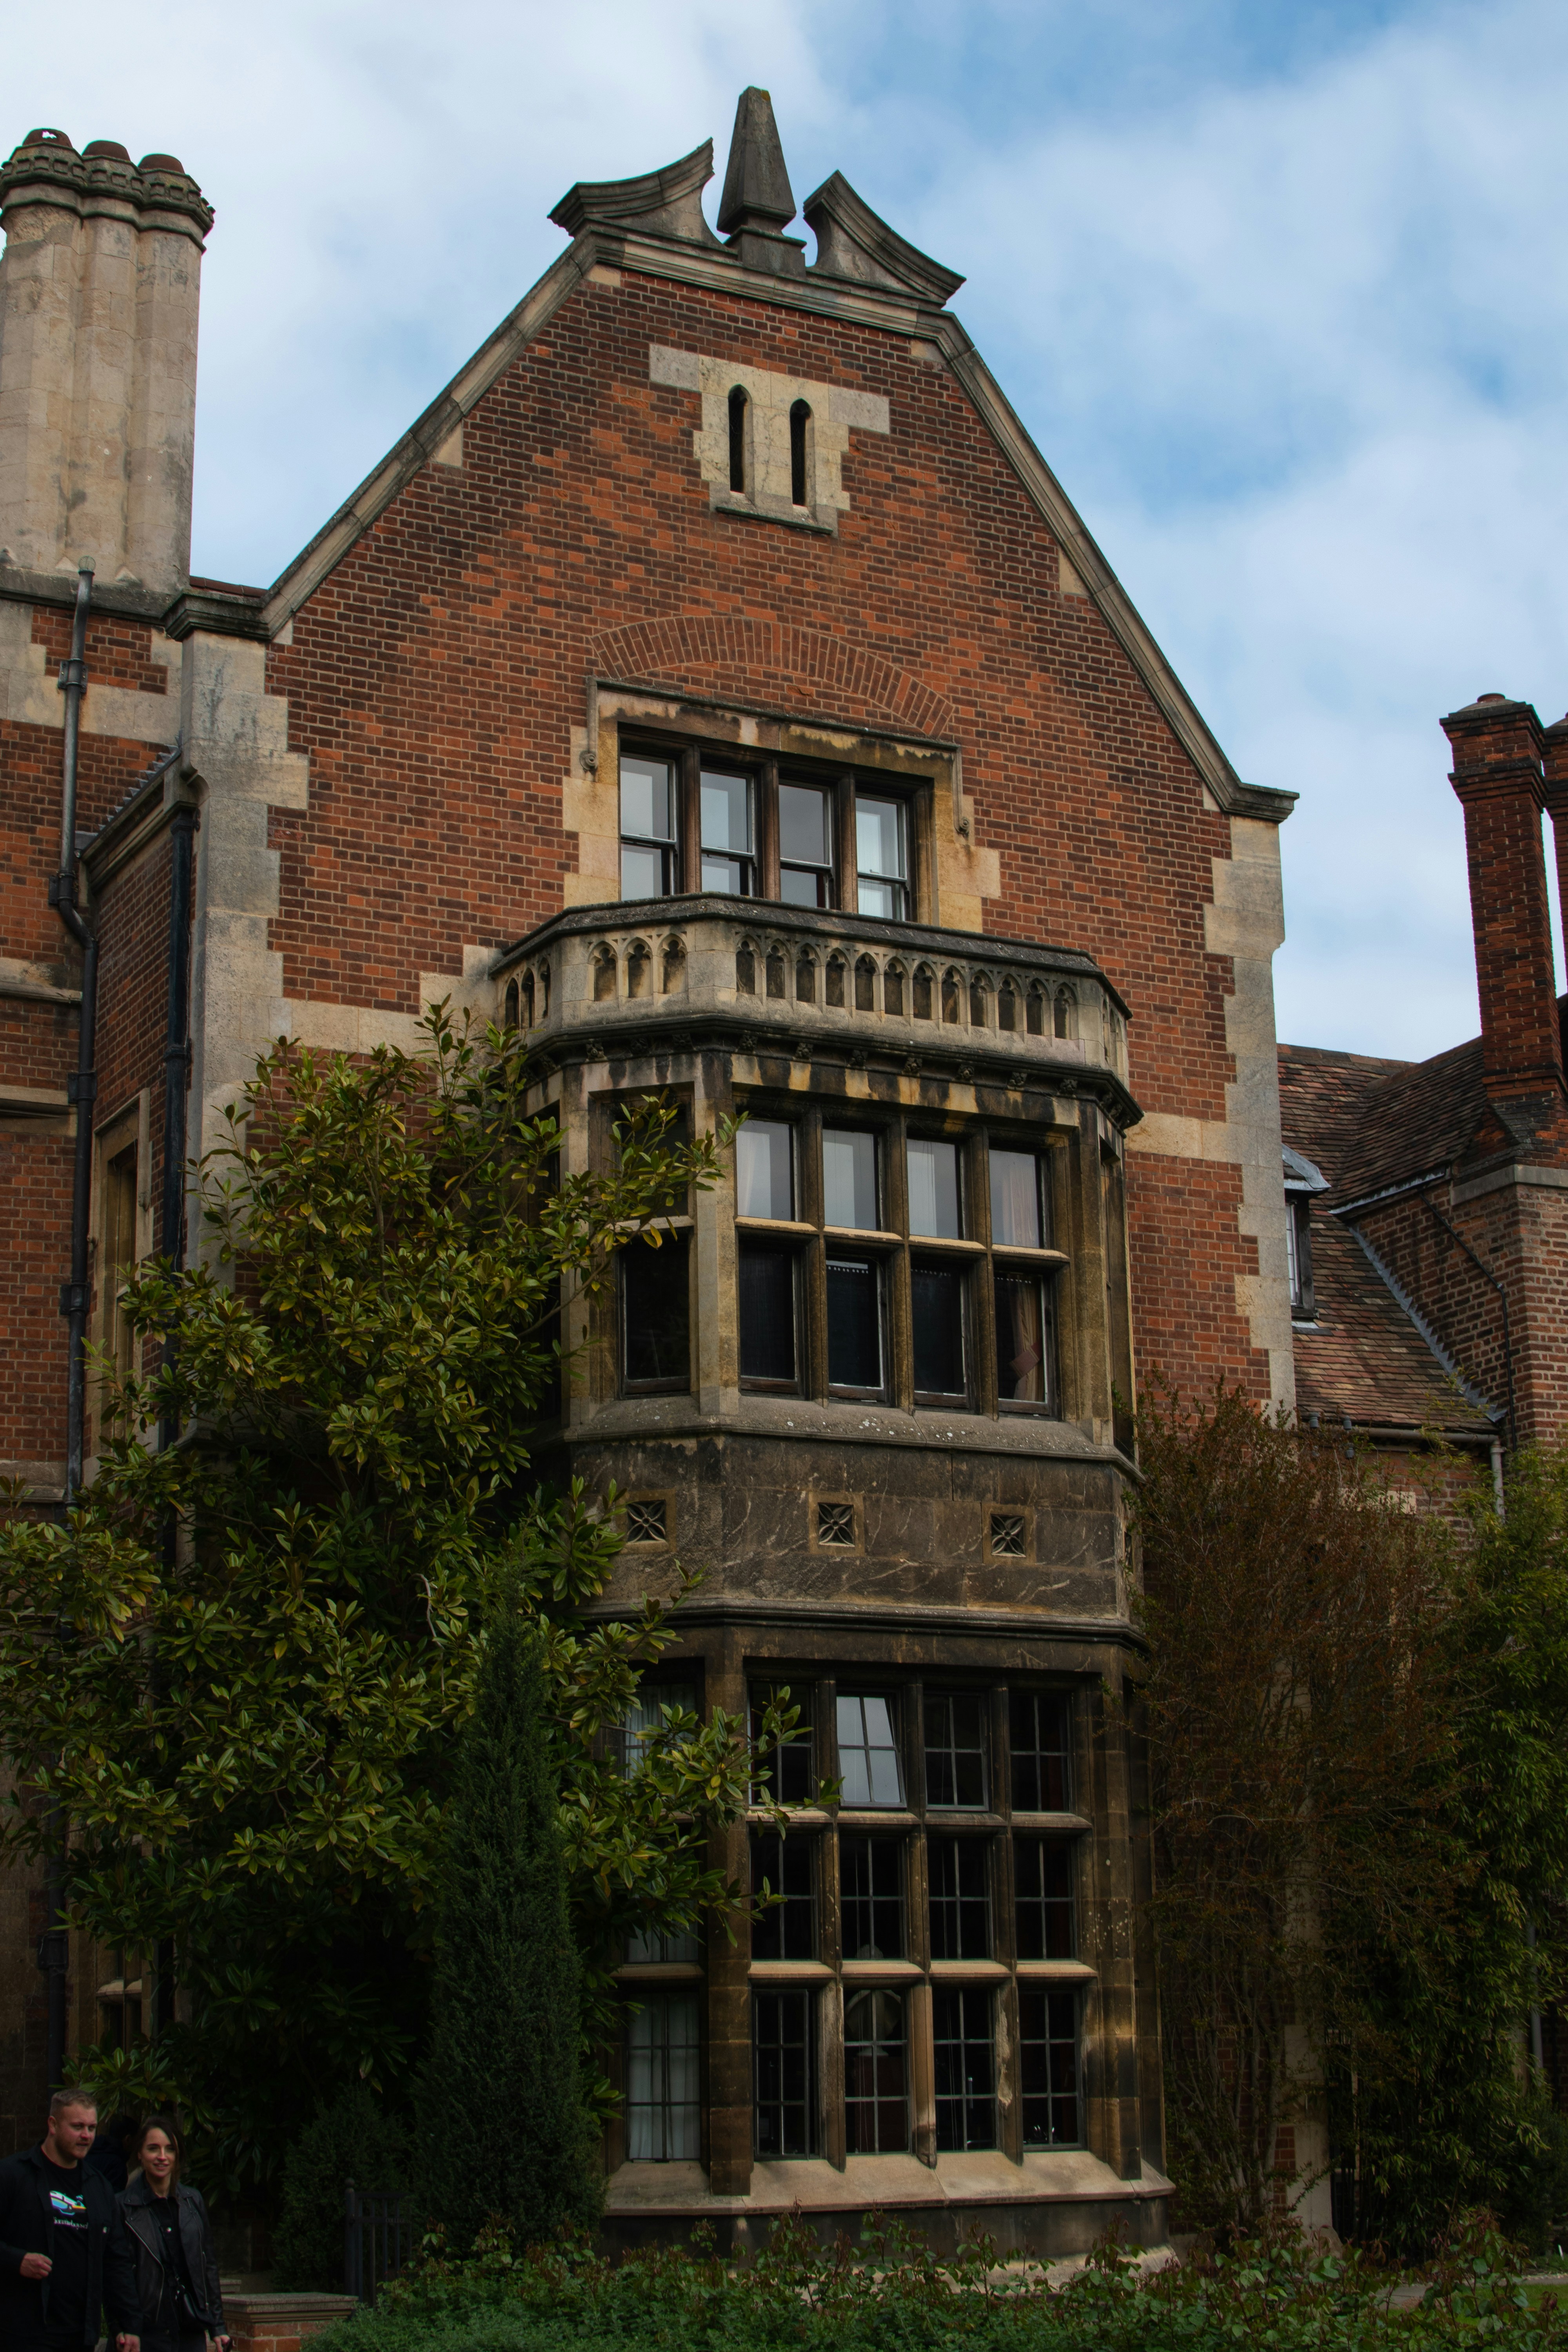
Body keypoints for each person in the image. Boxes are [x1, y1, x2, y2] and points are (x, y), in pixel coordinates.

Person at [0, 2088, 141, 2352]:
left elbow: (116, 2261)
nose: (87, 2136)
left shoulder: (99, 2187)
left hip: (80, 2335)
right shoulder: (13, 2175)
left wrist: (128, 2323)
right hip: (22, 2333)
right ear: (53, 2125)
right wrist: (16, 2261)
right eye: (77, 2127)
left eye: (92, 2127)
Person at [116, 2120, 228, 2352]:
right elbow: (118, 2274)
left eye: (170, 2149)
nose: (162, 2156)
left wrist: (218, 2326)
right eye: (153, 2148)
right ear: (140, 2154)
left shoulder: (192, 2201)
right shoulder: (123, 2206)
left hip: (189, 2325)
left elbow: (208, 2266)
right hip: (147, 2330)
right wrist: (123, 2327)